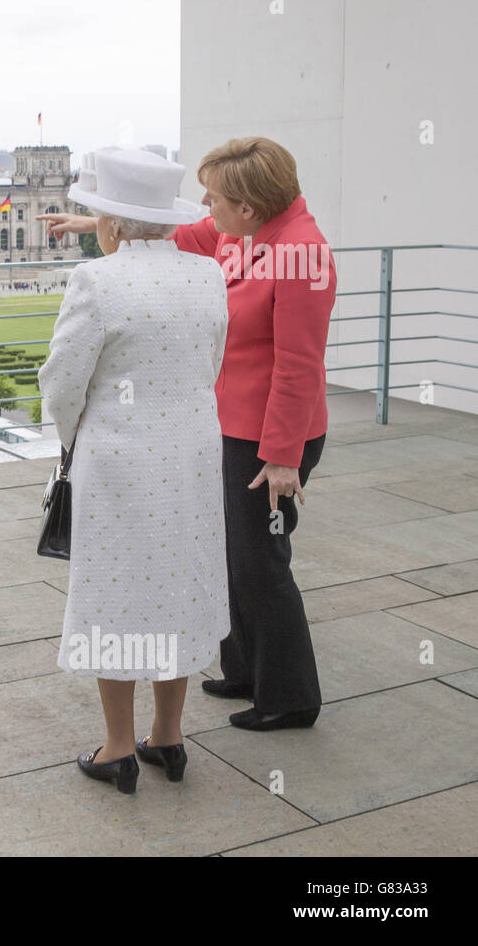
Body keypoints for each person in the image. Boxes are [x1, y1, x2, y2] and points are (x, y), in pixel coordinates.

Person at [41, 137, 335, 732]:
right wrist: (95, 220)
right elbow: (168, 239)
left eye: (216, 197)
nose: (205, 206)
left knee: (261, 564)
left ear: (249, 207)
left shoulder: (303, 253)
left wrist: (281, 458)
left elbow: (299, 365)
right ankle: (244, 670)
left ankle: (290, 696)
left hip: (273, 436)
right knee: (233, 557)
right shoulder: (244, 235)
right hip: (232, 425)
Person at [38, 148, 229, 794]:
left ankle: (119, 747)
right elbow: (212, 364)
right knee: (176, 583)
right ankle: (168, 737)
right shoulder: (208, 275)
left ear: (114, 225)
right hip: (195, 453)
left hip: (119, 461)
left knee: (115, 594)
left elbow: (63, 381)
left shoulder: (97, 281)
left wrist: (71, 438)